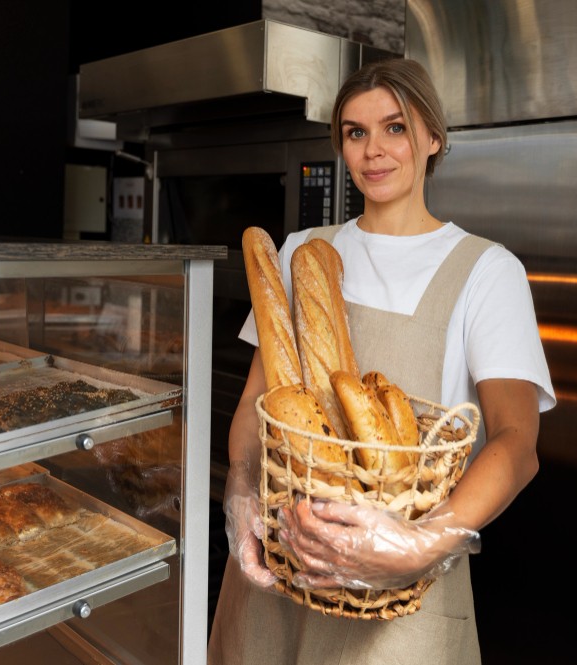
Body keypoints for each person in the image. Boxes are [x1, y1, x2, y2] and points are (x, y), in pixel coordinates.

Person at [206, 56, 556, 665]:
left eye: (395, 127)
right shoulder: (303, 252)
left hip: (397, 605)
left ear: (433, 138)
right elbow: (254, 409)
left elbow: (516, 441)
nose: (374, 151)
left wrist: (420, 542)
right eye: (355, 132)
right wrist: (240, 491)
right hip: (278, 580)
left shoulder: (486, 272)